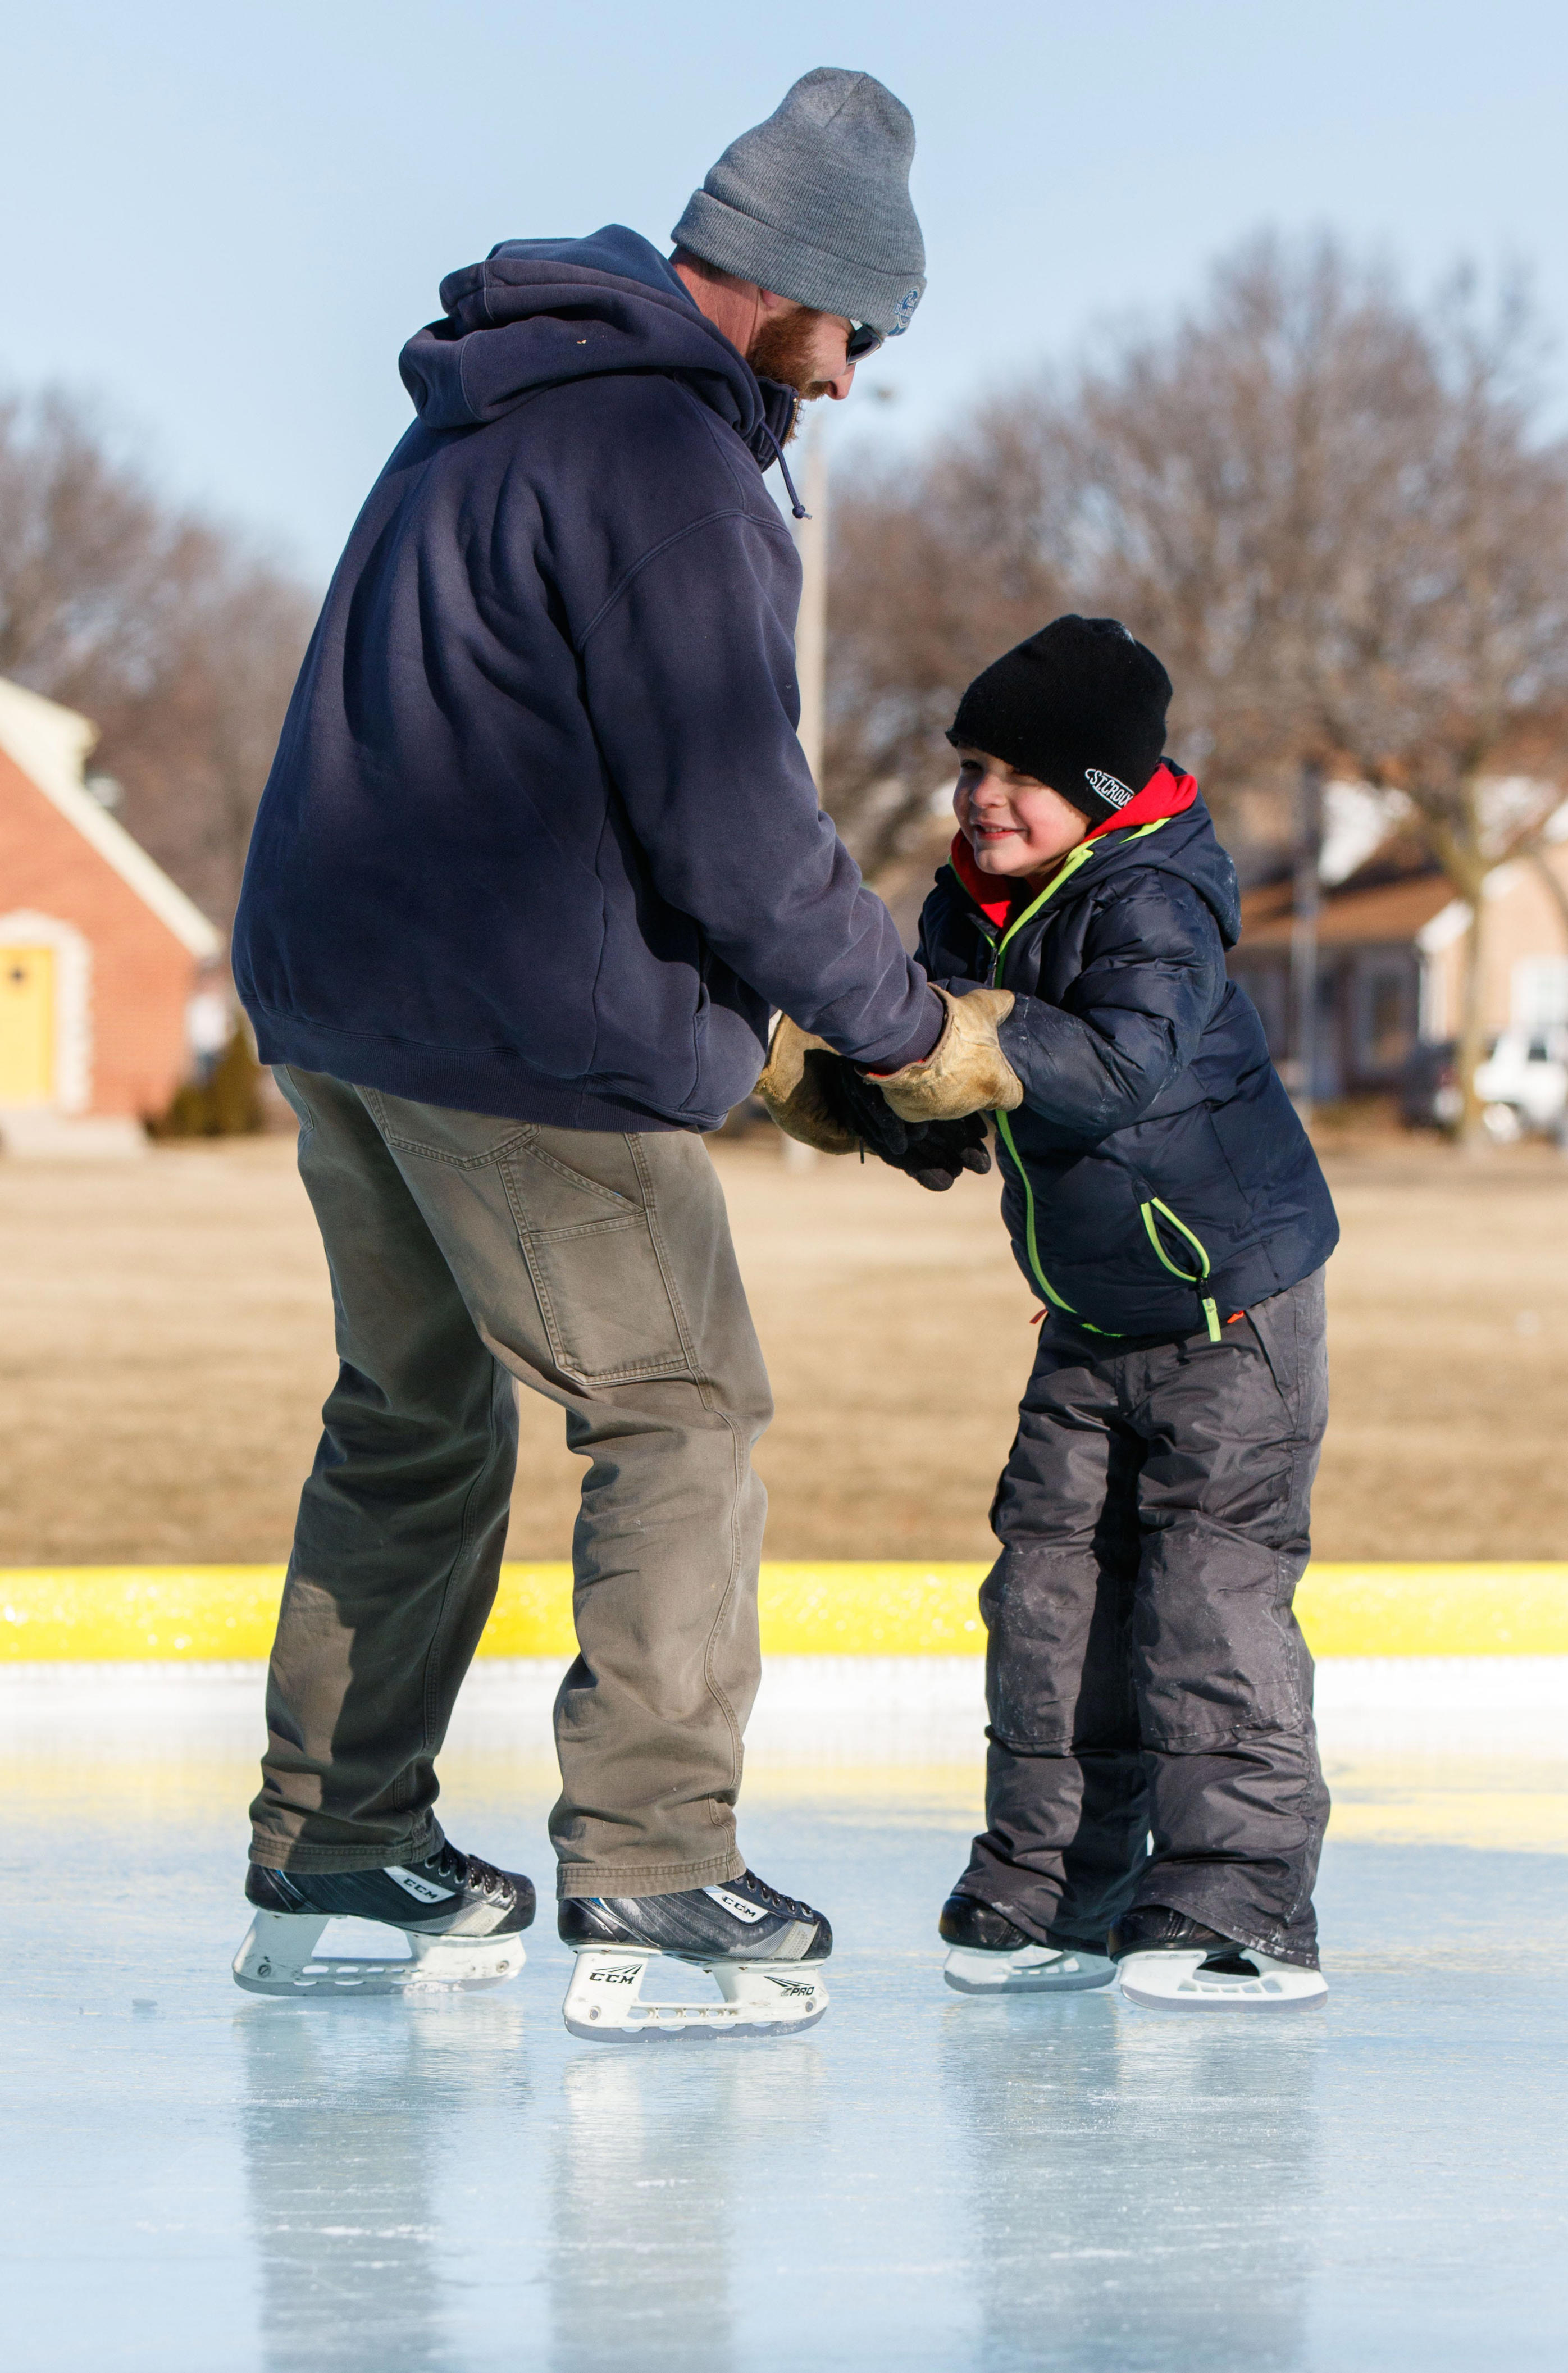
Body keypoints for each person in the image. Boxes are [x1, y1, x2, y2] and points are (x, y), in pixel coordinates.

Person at [229, 69, 974, 2037]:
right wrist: (907, 1032)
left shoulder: (489, 411)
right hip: (506, 1031)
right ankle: (654, 1861)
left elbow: (531, 772)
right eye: (858, 334)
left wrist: (759, 1049)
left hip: (342, 1000)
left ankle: (335, 1847)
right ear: (791, 284)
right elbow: (732, 824)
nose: (847, 382)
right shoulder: (664, 455)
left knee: (414, 1414)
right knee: (679, 1408)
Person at [769, 616, 1341, 2011]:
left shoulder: (1154, 898)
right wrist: (829, 1091)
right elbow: (952, 1105)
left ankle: (1236, 1901)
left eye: (1021, 775)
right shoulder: (969, 904)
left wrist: (969, 1038)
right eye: (972, 765)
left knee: (1207, 1596)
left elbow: (1118, 1067)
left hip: (1228, 1312)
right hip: (1086, 1312)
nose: (984, 797)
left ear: (1099, 789)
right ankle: (1050, 1887)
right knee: (1048, 1593)